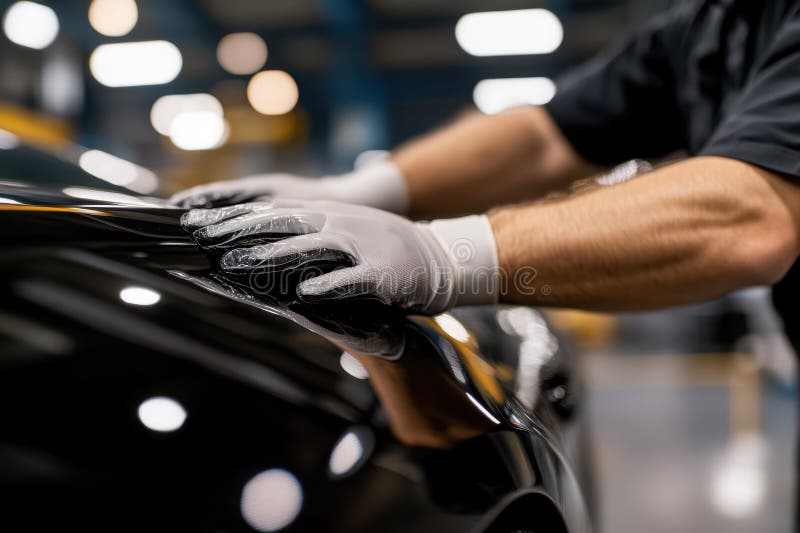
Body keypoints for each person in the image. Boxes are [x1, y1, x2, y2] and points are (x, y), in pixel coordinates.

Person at [174, 2, 800, 366]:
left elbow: (758, 212)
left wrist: (448, 256)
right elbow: (547, 136)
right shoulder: (716, 25)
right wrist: (366, 190)